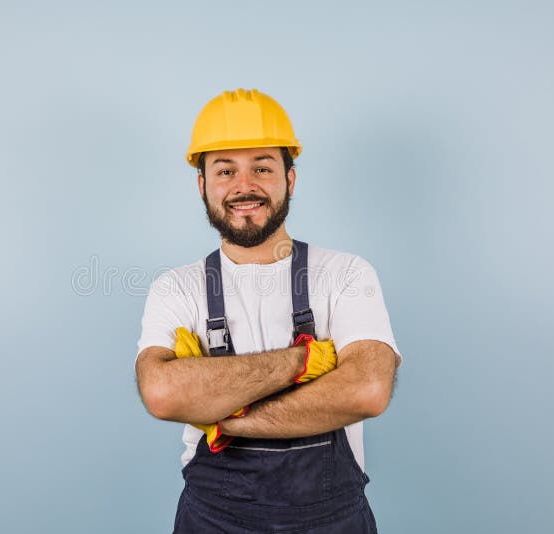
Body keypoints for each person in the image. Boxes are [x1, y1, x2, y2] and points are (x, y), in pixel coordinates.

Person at [135, 88, 402, 533]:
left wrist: (222, 416)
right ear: (202, 185)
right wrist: (304, 361)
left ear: (290, 179)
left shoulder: (347, 274)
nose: (245, 186)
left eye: (262, 167)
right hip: (213, 522)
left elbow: (367, 389)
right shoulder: (176, 288)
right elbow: (162, 393)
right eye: (225, 170)